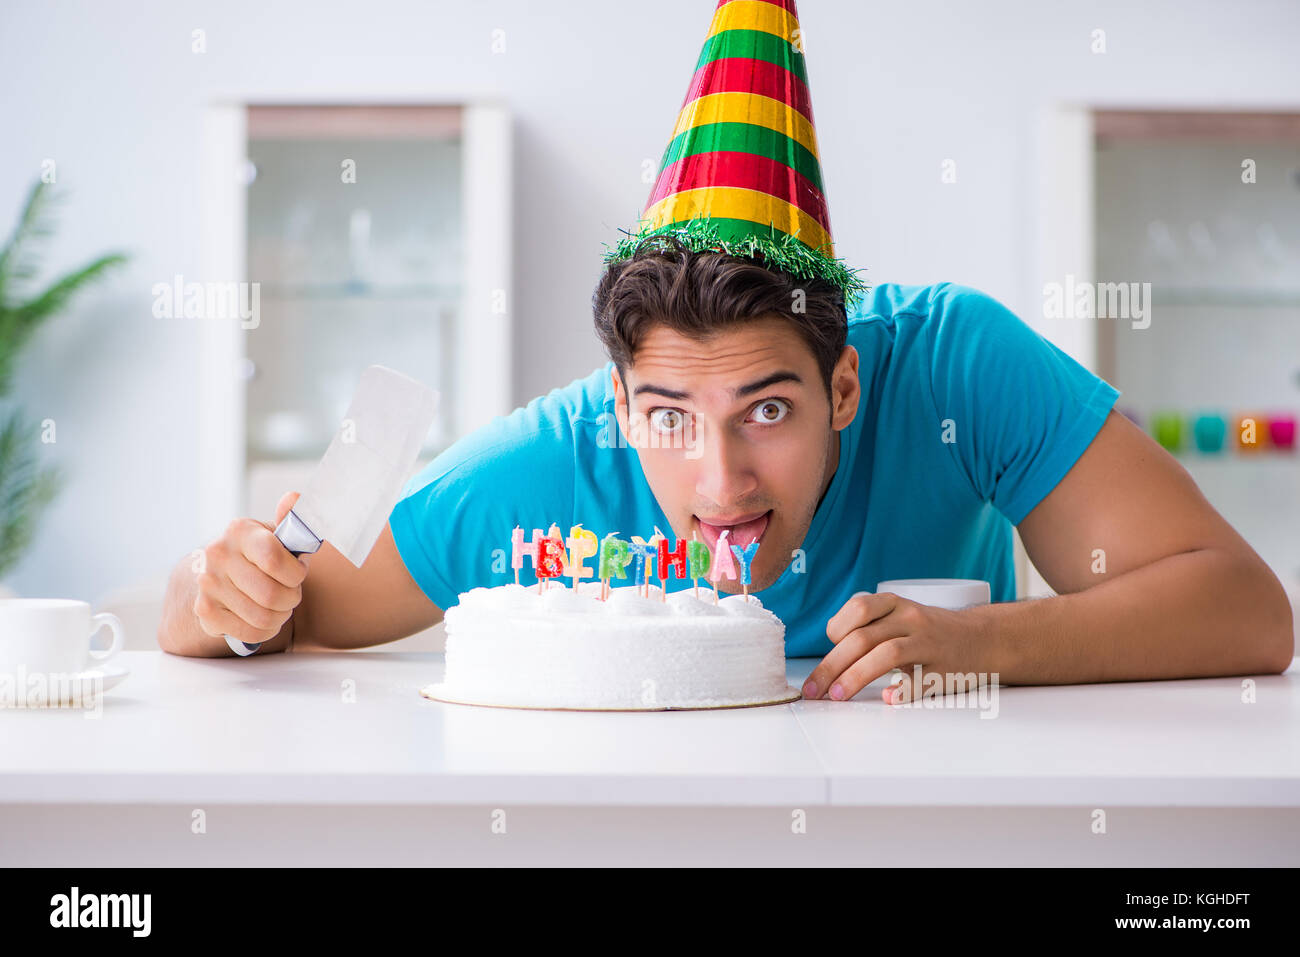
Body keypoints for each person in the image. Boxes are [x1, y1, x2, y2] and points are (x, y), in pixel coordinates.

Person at [158, 0, 1293, 702]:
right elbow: (276, 615)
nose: (720, 483)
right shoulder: (546, 463)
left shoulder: (954, 362)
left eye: (766, 410)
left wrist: (977, 643)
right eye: (669, 418)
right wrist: (223, 595)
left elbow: (1245, 609)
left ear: (844, 383)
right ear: (617, 404)